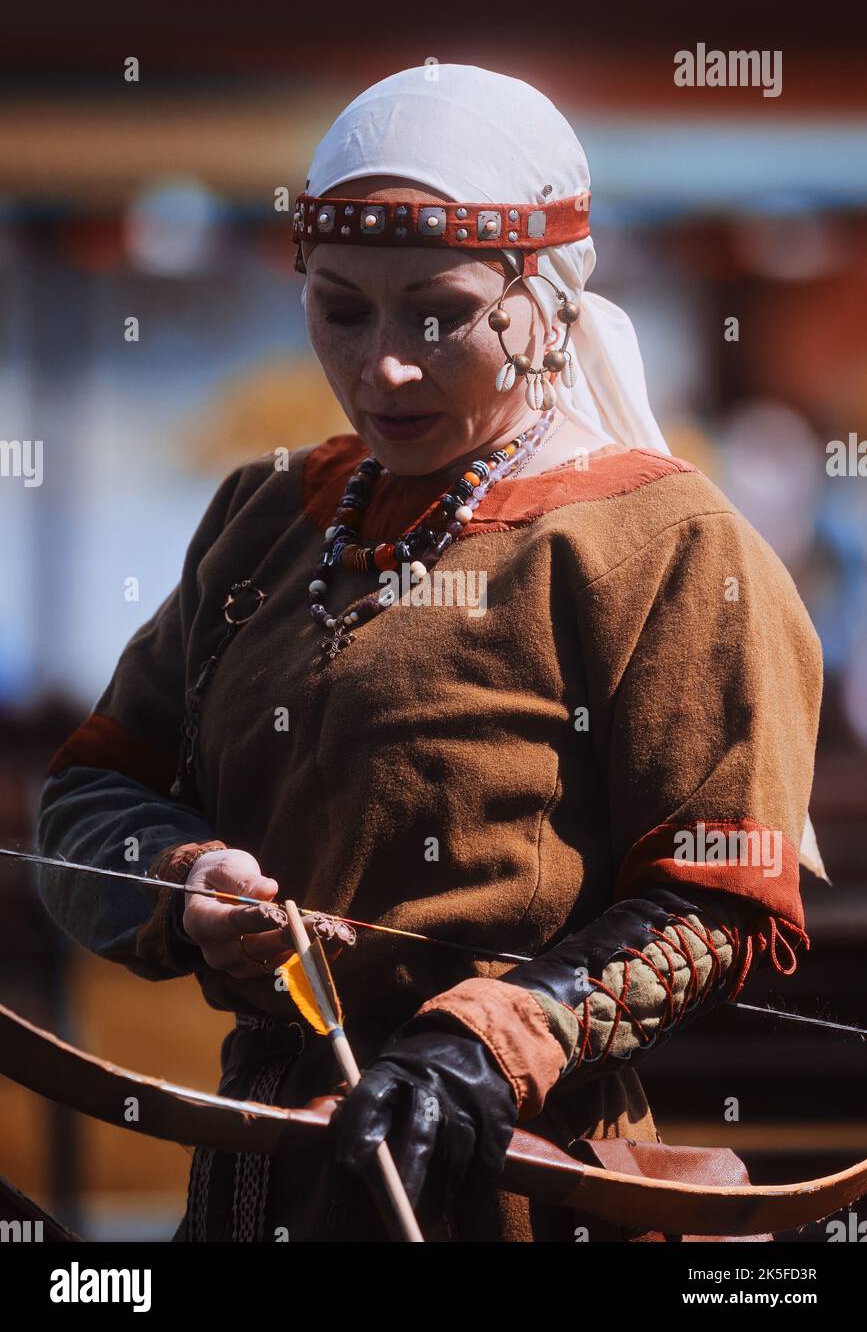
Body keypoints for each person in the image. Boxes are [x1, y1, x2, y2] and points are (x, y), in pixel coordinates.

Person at [35, 64, 823, 1243]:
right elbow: (91, 793)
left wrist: (486, 1042)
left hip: (522, 1172)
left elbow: (721, 895)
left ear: (547, 302)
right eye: (341, 308)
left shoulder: (669, 540)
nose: (383, 365)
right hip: (257, 1171)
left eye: (440, 312)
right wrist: (191, 883)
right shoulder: (268, 510)